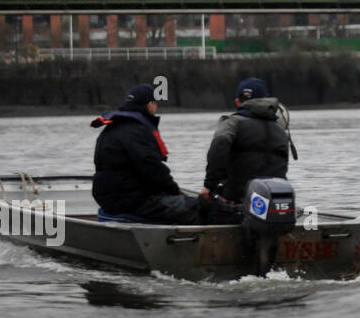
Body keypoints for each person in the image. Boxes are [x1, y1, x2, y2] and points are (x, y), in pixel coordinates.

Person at [91, 83, 202, 224]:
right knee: (198, 208)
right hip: (130, 200)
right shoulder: (136, 130)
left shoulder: (114, 127)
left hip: (110, 198)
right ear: (150, 105)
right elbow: (152, 168)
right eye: (155, 104)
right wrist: (174, 191)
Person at [201, 77, 294, 206]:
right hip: (276, 200)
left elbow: (219, 145)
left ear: (238, 102)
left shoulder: (232, 124)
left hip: (237, 199)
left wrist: (209, 186)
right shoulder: (280, 130)